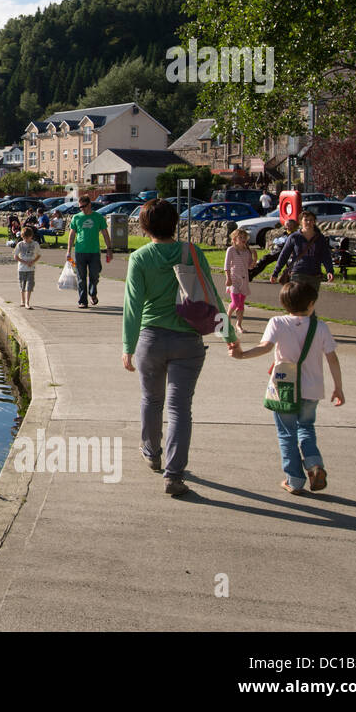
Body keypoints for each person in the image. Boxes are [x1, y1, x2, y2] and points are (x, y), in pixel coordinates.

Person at [122, 200, 238, 497]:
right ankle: (174, 475)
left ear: (145, 226)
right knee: (179, 409)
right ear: (175, 223)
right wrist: (228, 335)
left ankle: (151, 451)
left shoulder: (139, 258)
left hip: (151, 340)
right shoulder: (192, 252)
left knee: (151, 399)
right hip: (188, 342)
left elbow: (132, 307)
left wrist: (128, 346)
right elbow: (212, 296)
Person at [229, 281, 344, 495]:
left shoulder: (277, 322)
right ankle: (314, 464)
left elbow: (265, 347)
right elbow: (332, 359)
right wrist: (338, 387)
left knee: (286, 434)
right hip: (312, 389)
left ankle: (294, 480)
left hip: (284, 387)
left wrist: (242, 354)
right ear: (311, 304)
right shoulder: (320, 327)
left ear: (284, 304)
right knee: (306, 428)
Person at [66, 195, 113, 308]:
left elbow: (105, 233)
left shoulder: (98, 217)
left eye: (84, 206)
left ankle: (93, 293)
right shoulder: (76, 218)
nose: (82, 209)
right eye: (80, 207)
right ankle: (82, 300)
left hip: (94, 252)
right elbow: (72, 235)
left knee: (94, 275)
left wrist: (109, 249)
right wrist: (68, 251)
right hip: (80, 252)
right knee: (81, 277)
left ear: (89, 205)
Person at [271, 210, 334, 292]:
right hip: (298, 272)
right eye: (306, 220)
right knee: (298, 299)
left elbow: (326, 255)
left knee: (310, 300)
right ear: (301, 222)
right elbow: (284, 255)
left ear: (314, 222)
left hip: (315, 274)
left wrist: (329, 270)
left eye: (311, 220)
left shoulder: (320, 238)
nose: (308, 222)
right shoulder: (294, 237)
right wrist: (275, 272)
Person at [223, 227, 258, 333]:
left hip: (244, 279)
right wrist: (228, 278)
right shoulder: (231, 250)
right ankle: (227, 319)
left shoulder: (247, 251)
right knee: (235, 302)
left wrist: (255, 258)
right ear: (234, 239)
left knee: (241, 303)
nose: (243, 239)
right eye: (240, 237)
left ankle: (239, 324)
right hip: (234, 279)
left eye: (244, 237)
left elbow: (250, 267)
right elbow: (227, 265)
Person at [13, 226, 41, 309]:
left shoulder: (35, 244)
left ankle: (27, 302)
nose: (26, 239)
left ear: (31, 236)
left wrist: (33, 261)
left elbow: (39, 255)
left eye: (28, 238)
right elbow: (16, 256)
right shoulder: (20, 244)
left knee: (30, 285)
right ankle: (22, 300)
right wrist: (24, 262)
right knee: (22, 284)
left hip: (31, 268)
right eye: (24, 238)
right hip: (21, 268)